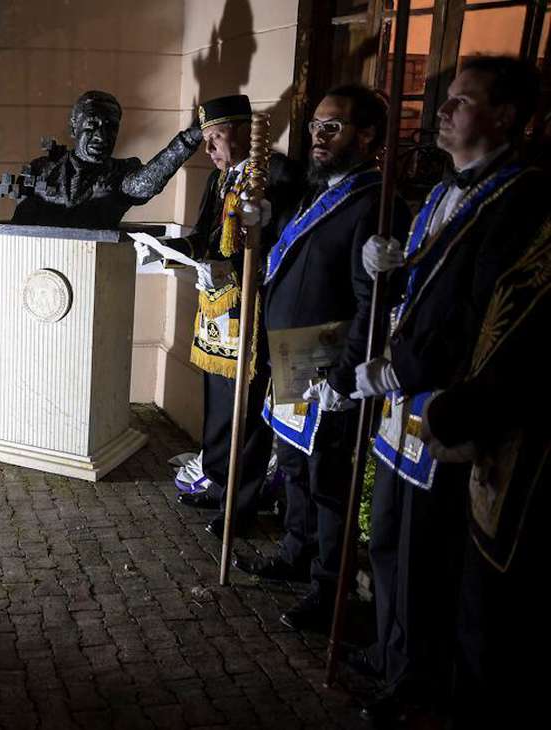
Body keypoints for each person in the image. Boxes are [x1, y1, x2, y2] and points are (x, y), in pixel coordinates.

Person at [353, 55, 546, 723]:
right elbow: (423, 289)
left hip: (441, 396)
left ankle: (418, 682)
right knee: (386, 537)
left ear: (505, 117)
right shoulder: (437, 191)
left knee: (424, 553)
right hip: (400, 393)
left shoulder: (521, 200)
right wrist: (387, 268)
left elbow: (475, 313)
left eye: (460, 102)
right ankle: (390, 649)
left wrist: (401, 370)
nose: (442, 112)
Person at [234, 86, 411, 634]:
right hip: (293, 354)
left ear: (367, 136)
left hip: (330, 361)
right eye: (315, 126)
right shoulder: (318, 191)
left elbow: (372, 302)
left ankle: (331, 589)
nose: (317, 137)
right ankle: (295, 554)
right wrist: (263, 222)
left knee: (329, 480)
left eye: (332, 128)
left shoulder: (375, 202)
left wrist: (345, 374)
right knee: (292, 468)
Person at [138, 94, 303, 537]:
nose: (209, 150)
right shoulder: (218, 181)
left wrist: (251, 243)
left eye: (216, 138)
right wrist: (169, 250)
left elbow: (288, 248)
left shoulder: (278, 174)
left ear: (245, 132)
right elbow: (203, 236)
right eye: (206, 140)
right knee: (217, 400)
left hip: (254, 310)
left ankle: (241, 501)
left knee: (246, 410)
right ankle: (216, 476)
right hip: (217, 312)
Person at [419, 215, 550, 728]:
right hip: (501, 444)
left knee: (497, 642)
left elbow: (527, 349)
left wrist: (452, 413)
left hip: (525, 466)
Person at [9, 90, 203, 228]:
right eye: (92, 124)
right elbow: (20, 226)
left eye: (110, 127)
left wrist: (187, 141)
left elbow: (146, 183)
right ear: (73, 128)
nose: (101, 136)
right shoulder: (40, 170)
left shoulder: (120, 173)